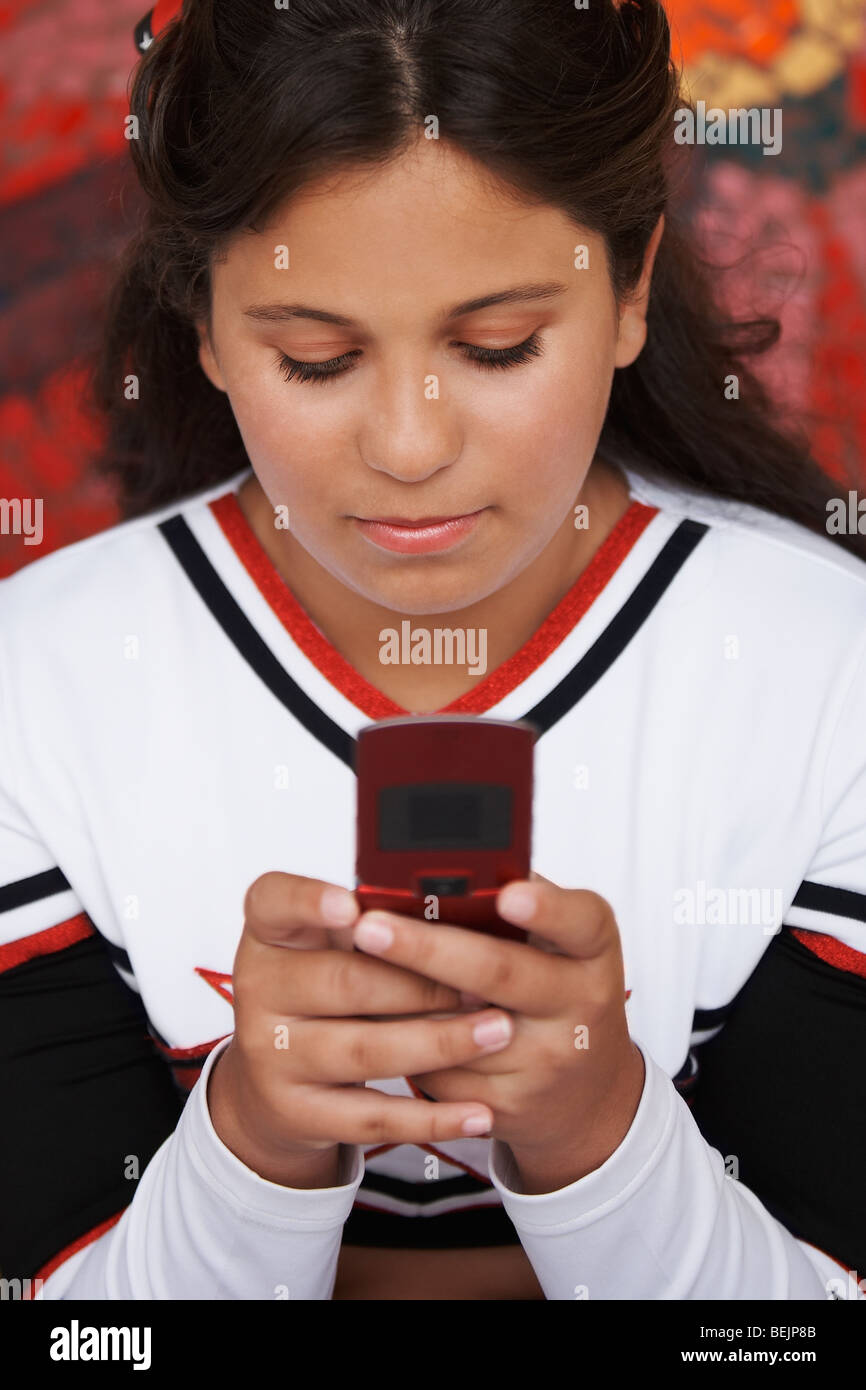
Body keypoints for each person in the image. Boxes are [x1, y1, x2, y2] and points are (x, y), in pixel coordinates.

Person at [1, 0, 864, 1301]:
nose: (410, 447)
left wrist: (596, 1133)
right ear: (204, 323)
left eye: (497, 345)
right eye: (316, 357)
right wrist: (252, 1142)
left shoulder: (829, 676)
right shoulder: (34, 691)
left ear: (629, 287)